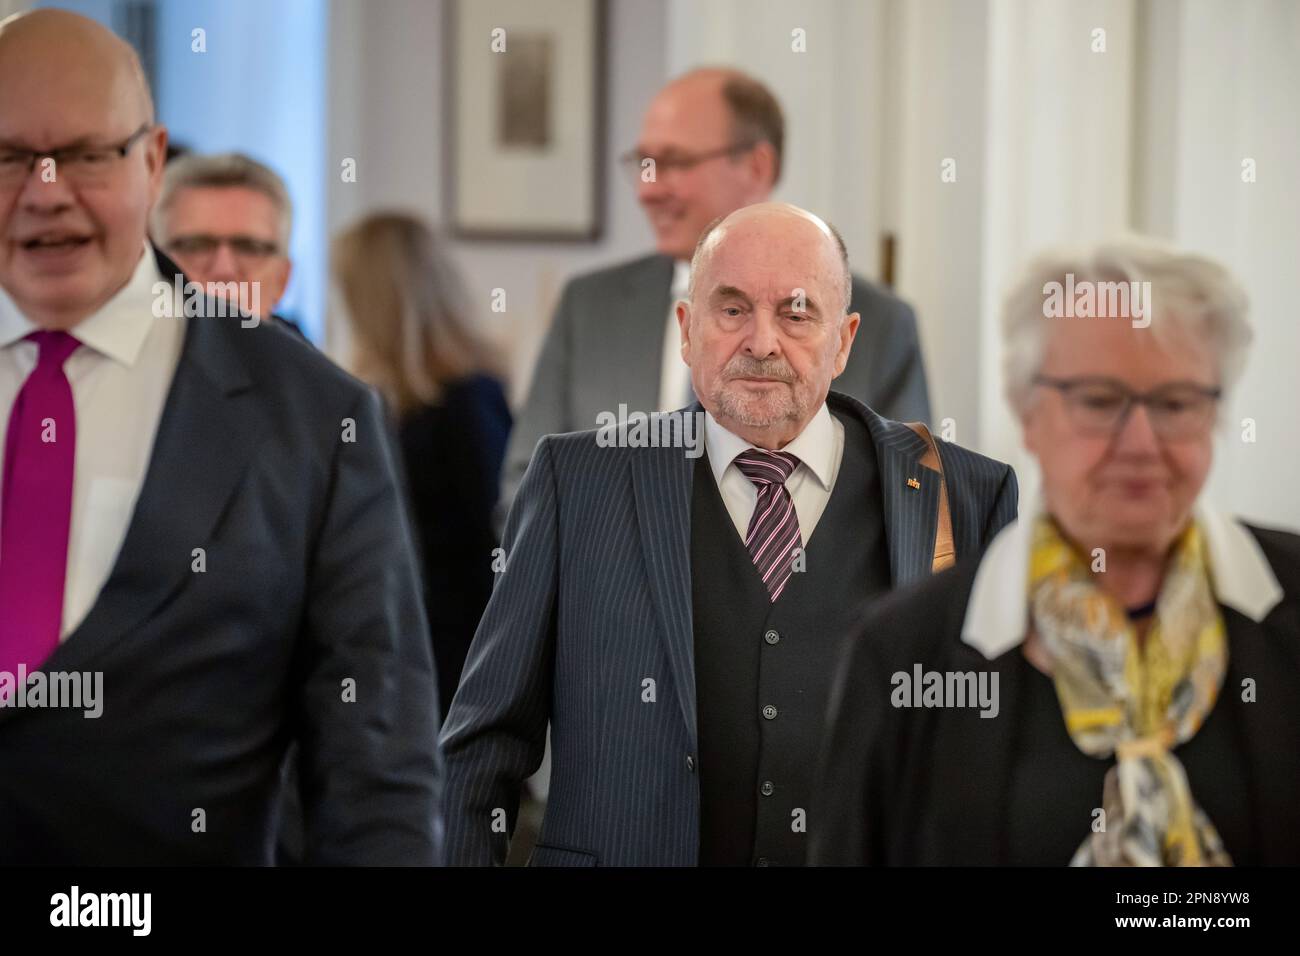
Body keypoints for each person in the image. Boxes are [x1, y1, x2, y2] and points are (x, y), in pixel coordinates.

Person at [441, 202, 1016, 866]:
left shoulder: (966, 495)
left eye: (797, 313)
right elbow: (483, 748)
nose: (763, 342)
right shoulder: (577, 483)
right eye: (732, 309)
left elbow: (1002, 757)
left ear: (845, 339)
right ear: (687, 330)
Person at [0, 9, 440, 865]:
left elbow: (375, 771)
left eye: (88, 154)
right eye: (9, 155)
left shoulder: (314, 419)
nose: (46, 190)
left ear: (153, 160)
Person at [811, 237, 1300, 866]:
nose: (1141, 443)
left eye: (1177, 403)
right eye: (1099, 401)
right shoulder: (903, 652)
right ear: (1027, 412)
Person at [501, 67, 931, 514]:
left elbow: (911, 506)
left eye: (675, 163)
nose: (648, 189)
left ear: (756, 167)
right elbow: (526, 485)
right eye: (643, 164)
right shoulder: (590, 306)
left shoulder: (881, 327)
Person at [333, 212, 511, 720]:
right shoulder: (393, 401)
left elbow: (496, 538)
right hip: (410, 636)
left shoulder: (465, 402)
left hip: (454, 649)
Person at [150, 151, 304, 336]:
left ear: (283, 279)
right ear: (149, 265)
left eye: (250, 249)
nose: (223, 271)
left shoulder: (312, 365)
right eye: (195, 247)